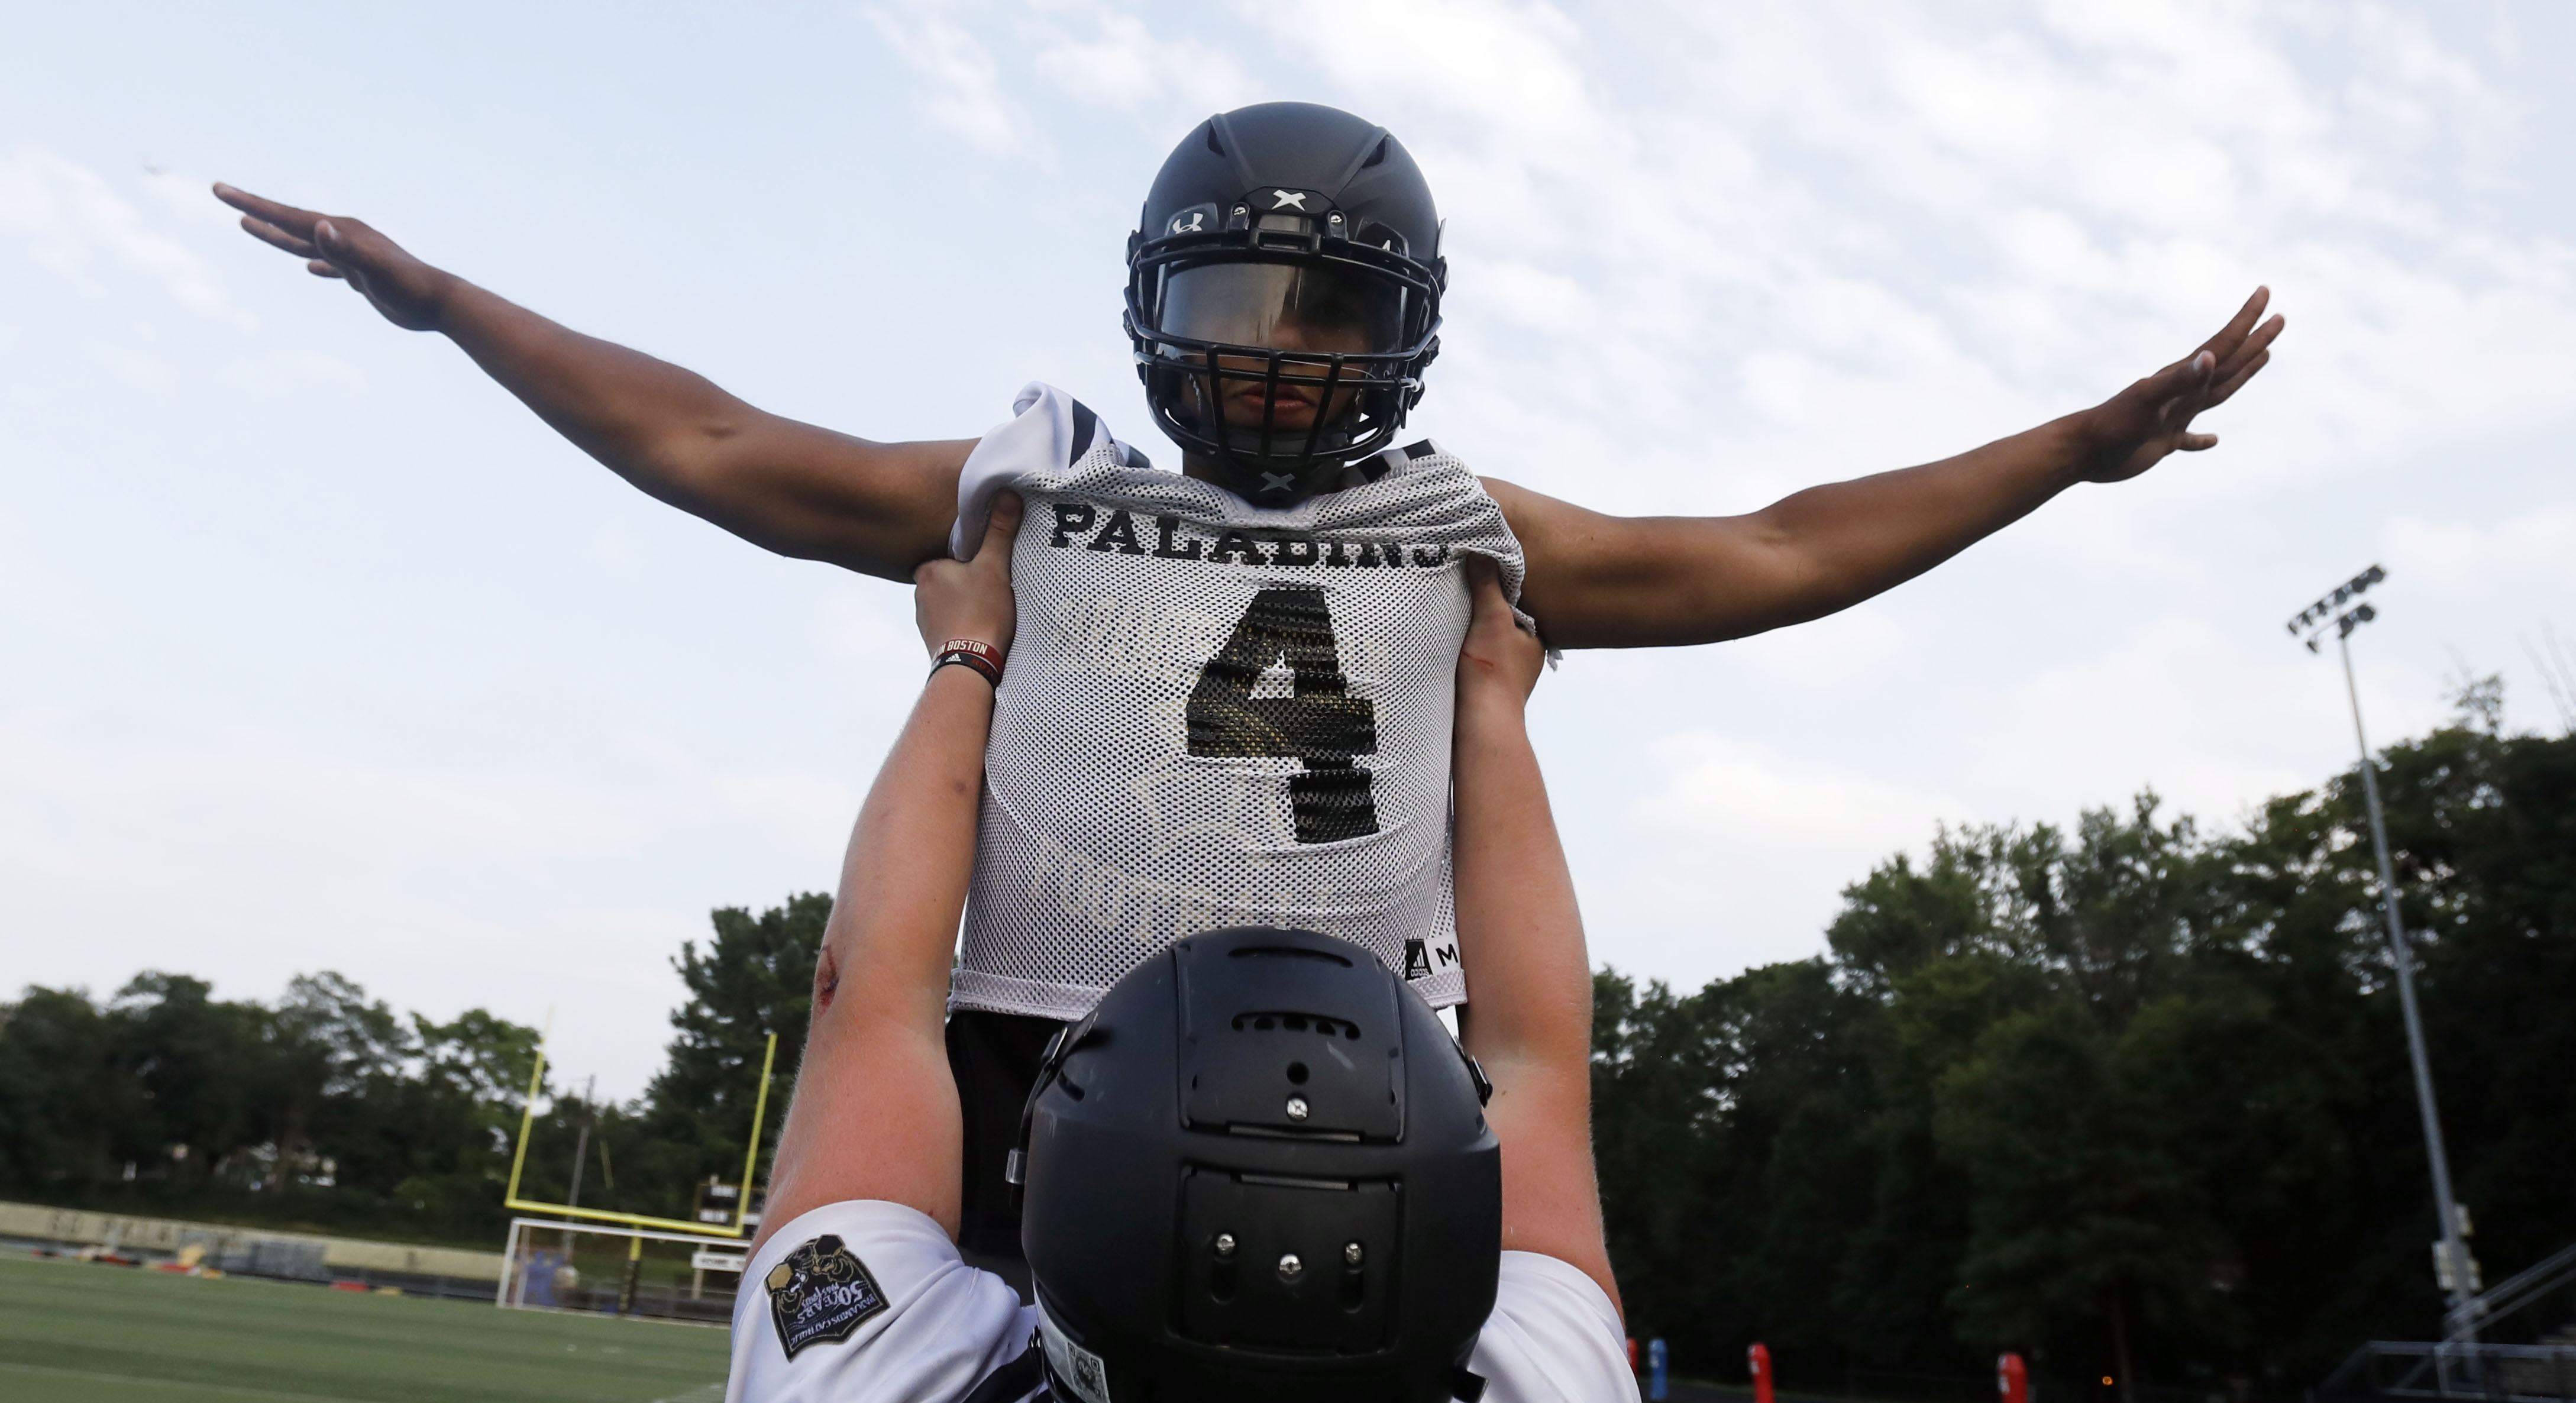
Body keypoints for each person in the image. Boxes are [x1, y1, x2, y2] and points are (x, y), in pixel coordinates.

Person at [214, 102, 2283, 1276]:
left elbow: (1768, 551)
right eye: (1234, 302)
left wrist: (2060, 449)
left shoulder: (1457, 520)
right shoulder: (1045, 483)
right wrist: (452, 306)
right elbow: (721, 448)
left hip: (1356, 1082)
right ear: (1144, 308)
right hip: (1021, 1051)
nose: (1276, 354)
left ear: (1404, 335)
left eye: (1325, 313)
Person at [715, 496, 1647, 1403]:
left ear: (1046, 1229)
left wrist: (968, 656)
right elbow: (1545, 1060)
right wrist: (1490, 709)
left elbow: (871, 995)